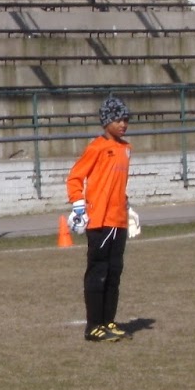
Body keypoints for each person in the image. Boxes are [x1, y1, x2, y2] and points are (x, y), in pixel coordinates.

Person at [66, 95, 135, 343]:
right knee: (99, 273)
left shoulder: (126, 149)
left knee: (115, 273)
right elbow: (75, 177)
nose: (123, 123)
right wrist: (78, 205)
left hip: (119, 221)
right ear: (107, 121)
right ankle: (93, 325)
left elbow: (116, 184)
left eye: (126, 119)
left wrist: (127, 204)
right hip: (100, 222)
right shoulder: (96, 147)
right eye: (118, 119)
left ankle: (108, 320)